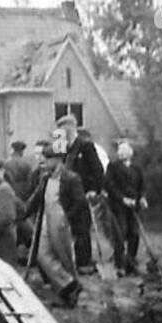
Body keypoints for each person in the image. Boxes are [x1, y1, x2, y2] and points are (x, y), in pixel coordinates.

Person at [26, 142, 85, 307]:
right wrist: (23, 213)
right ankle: (69, 284)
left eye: (48, 159)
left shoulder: (70, 178)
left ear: (58, 160)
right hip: (47, 219)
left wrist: (68, 217)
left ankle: (67, 296)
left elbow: (80, 201)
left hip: (62, 222)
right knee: (42, 255)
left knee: (64, 258)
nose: (44, 162)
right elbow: (36, 199)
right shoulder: (46, 178)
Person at [57, 114, 106, 273]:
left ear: (72, 127)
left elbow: (97, 170)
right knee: (68, 228)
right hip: (67, 195)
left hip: (83, 194)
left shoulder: (85, 146)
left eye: (64, 128)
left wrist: (94, 190)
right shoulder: (64, 148)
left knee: (82, 229)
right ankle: (70, 261)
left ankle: (84, 263)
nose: (61, 132)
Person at [105, 141, 147, 275]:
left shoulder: (137, 168)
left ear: (131, 153)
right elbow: (110, 186)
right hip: (119, 207)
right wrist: (123, 199)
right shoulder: (113, 167)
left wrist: (142, 198)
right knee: (120, 234)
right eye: (119, 150)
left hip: (134, 207)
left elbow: (142, 186)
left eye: (124, 150)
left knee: (134, 234)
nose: (120, 152)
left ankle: (131, 262)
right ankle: (120, 265)